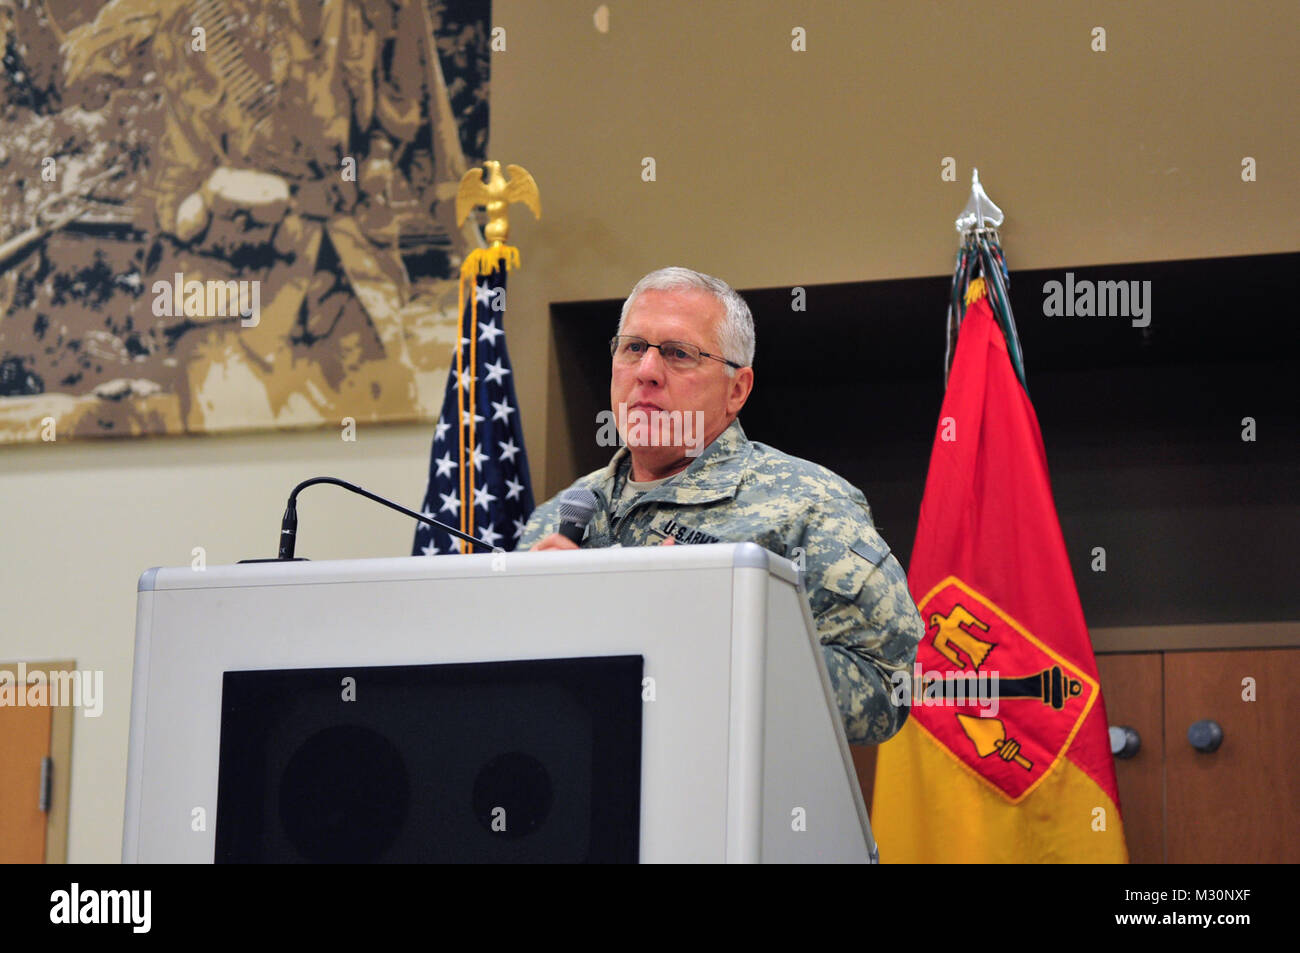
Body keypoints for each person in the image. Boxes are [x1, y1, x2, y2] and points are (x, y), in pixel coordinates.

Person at [518, 266, 925, 745]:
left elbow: (886, 691)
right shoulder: (558, 518)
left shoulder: (809, 505)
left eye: (678, 354)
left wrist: (707, 633)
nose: (646, 372)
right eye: (633, 348)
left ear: (737, 389)